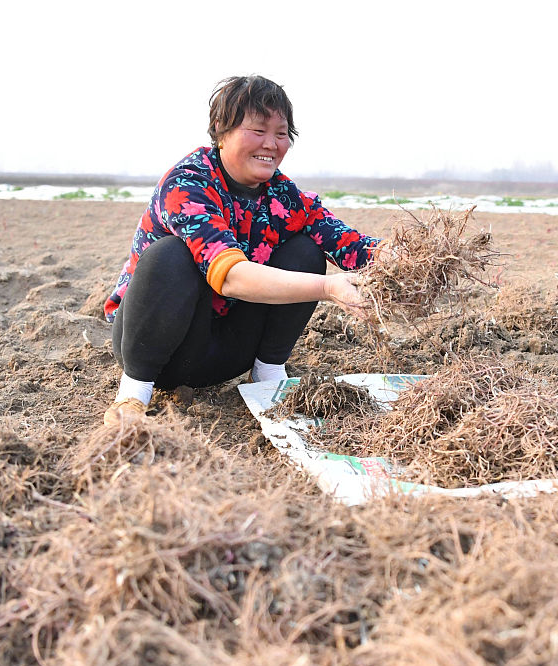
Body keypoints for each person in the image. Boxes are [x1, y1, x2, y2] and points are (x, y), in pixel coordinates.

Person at [102, 74, 378, 424]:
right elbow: (230, 277)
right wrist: (328, 288)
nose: (271, 144)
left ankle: (267, 373)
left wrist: (404, 256)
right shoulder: (188, 184)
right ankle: (133, 394)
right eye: (258, 130)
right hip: (161, 350)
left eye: (281, 134)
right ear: (221, 128)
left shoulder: (282, 195)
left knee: (306, 251)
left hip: (229, 352)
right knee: (170, 254)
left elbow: (350, 244)